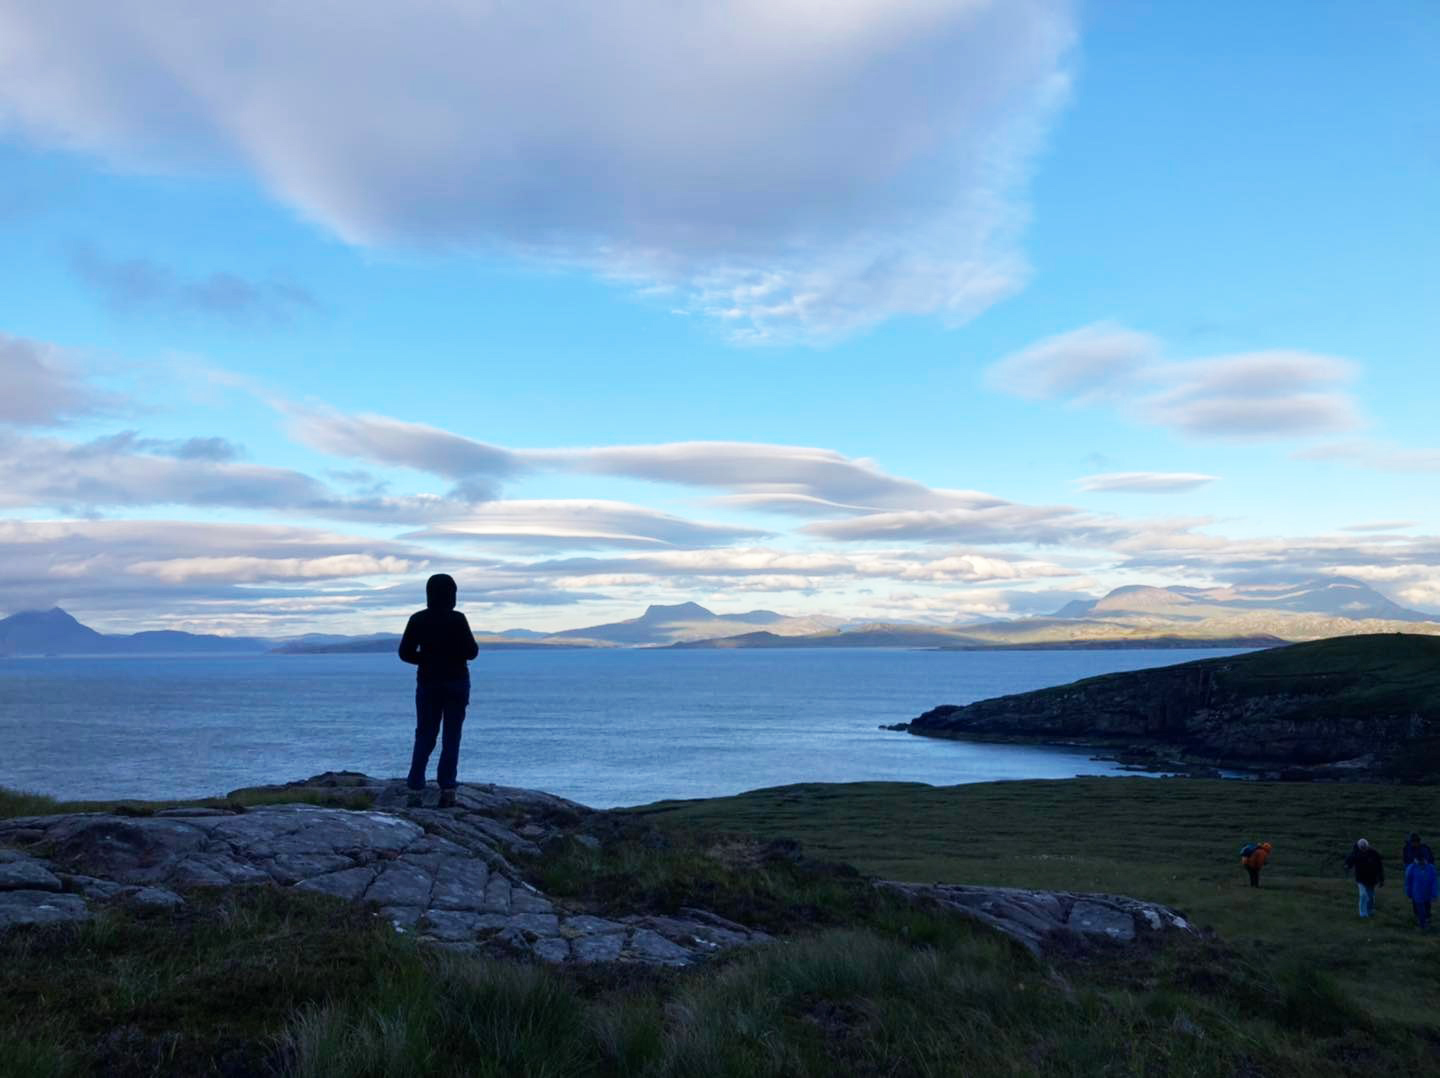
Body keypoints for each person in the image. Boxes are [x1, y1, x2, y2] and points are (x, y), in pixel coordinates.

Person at [398, 573, 480, 808]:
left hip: (428, 682)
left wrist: (426, 659)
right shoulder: (458, 619)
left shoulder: (418, 619)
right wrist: (451, 655)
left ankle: (415, 783)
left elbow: (405, 653)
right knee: (452, 735)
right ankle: (447, 785)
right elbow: (472, 651)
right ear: (451, 595)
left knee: (425, 733)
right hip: (456, 682)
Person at [1344, 839, 1385, 918]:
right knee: (1363, 895)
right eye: (1362, 848)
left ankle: (1369, 911)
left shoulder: (1374, 853)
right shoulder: (1356, 853)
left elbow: (1380, 867)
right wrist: (1347, 865)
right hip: (1361, 879)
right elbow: (1350, 860)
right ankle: (1363, 914)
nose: (1363, 850)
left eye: (1364, 848)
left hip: (1372, 879)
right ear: (1359, 847)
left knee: (1370, 897)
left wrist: (1381, 879)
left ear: (1367, 846)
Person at [1405, 854, 1439, 930]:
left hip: (1427, 893)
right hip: (1417, 893)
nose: (1421, 861)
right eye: (1419, 859)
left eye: (1423, 859)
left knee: (1427, 909)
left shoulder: (1431, 868)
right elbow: (1408, 882)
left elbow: (1434, 882)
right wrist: (1409, 892)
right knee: (1421, 910)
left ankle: (1425, 923)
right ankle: (1423, 925)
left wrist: (1434, 893)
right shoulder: (1412, 868)